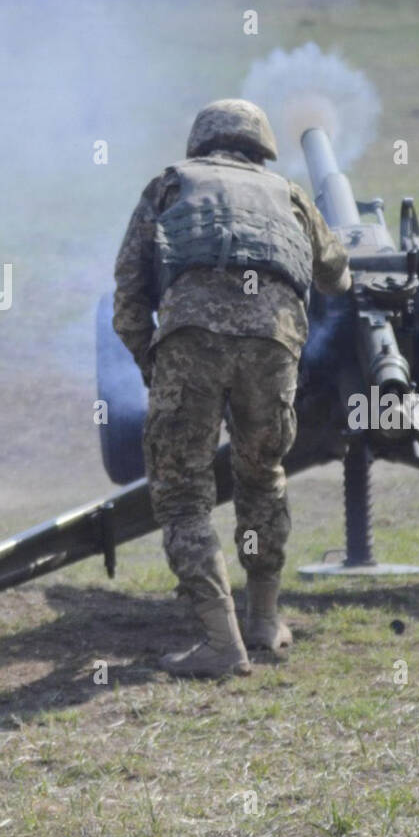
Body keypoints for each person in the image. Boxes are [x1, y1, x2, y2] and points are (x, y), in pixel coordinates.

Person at [113, 99, 351, 678]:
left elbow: (128, 294)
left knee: (182, 492)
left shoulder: (169, 186)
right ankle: (264, 622)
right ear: (262, 146)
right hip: (272, 346)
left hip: (190, 342)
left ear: (202, 142)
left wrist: (155, 363)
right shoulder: (290, 195)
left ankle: (221, 642)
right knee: (261, 475)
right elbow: (336, 276)